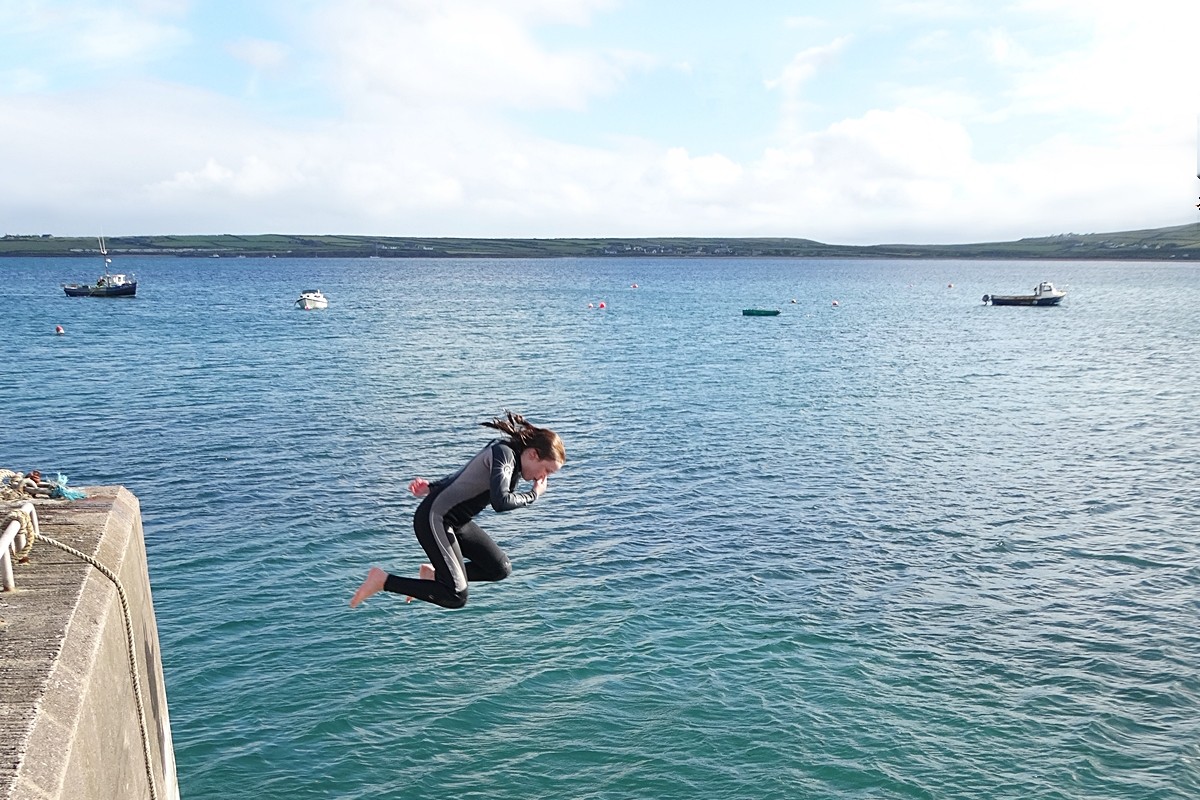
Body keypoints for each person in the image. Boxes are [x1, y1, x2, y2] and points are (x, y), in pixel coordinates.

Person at [350, 412, 565, 610]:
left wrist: (432, 486)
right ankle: (382, 580)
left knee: (499, 568)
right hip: (435, 518)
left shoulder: (513, 459)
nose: (543, 478)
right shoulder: (505, 454)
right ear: (533, 454)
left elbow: (464, 474)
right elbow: (500, 501)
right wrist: (533, 494)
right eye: (547, 470)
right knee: (456, 595)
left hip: (458, 521)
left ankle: (434, 574)